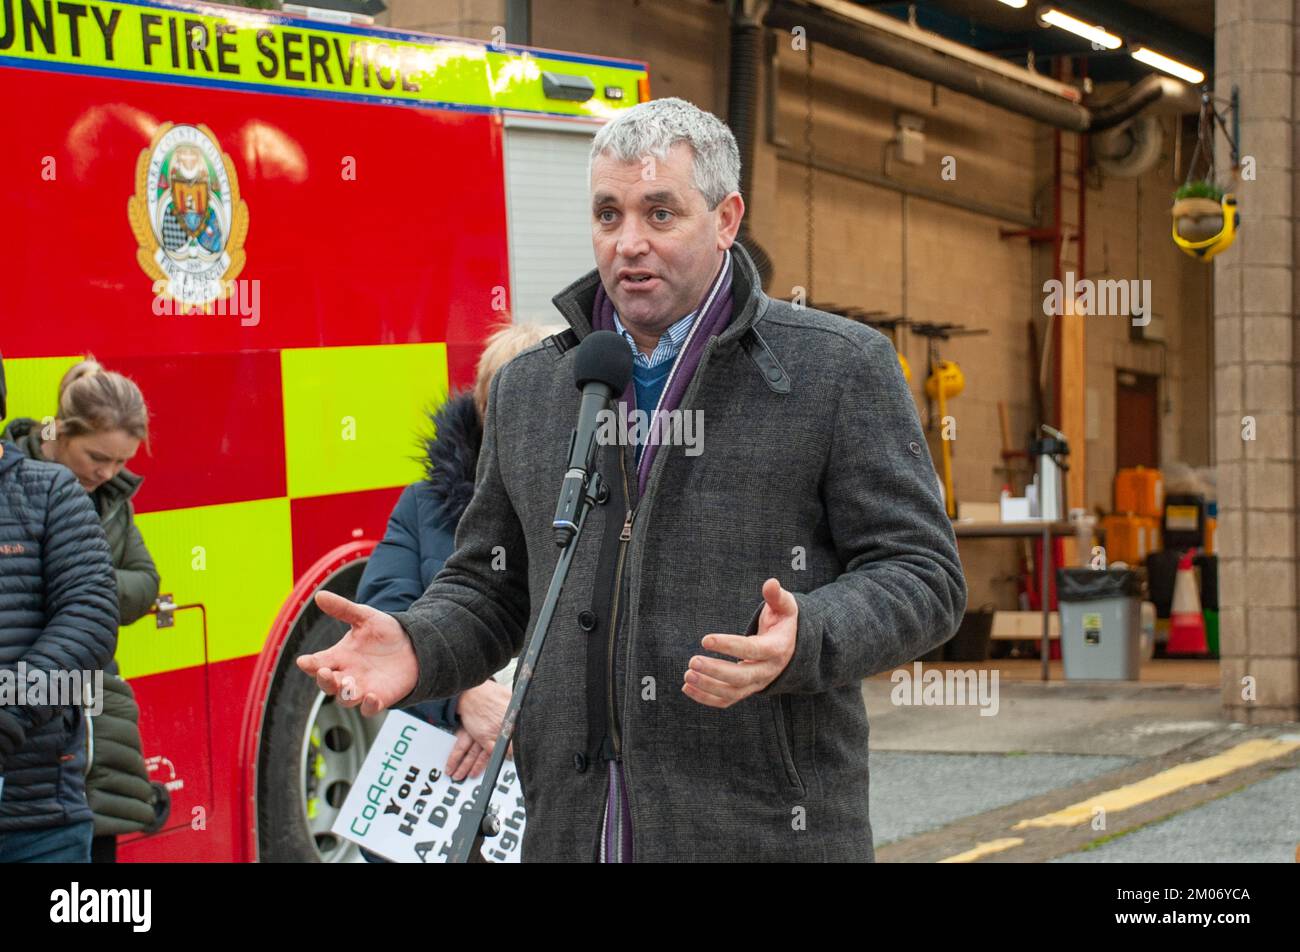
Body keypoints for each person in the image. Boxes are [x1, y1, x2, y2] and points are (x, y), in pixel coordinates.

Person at [299, 97, 966, 862]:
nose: (629, 244)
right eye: (609, 215)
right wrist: (418, 646)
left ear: (725, 218)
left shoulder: (835, 370)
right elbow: (493, 586)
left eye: (660, 213)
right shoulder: (530, 387)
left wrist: (809, 633)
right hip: (571, 832)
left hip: (759, 834)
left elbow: (924, 576)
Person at [354, 320, 561, 862]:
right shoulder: (424, 505)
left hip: (554, 790)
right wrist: (463, 699)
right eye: (508, 407)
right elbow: (390, 620)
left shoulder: (608, 510)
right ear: (483, 412)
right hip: (442, 782)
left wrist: (519, 717)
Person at [2, 359, 161, 862]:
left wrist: (76, 577)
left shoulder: (107, 495)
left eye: (120, 462)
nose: (107, 472)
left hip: (83, 700)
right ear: (61, 433)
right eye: (97, 456)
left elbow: (146, 583)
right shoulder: (29, 484)